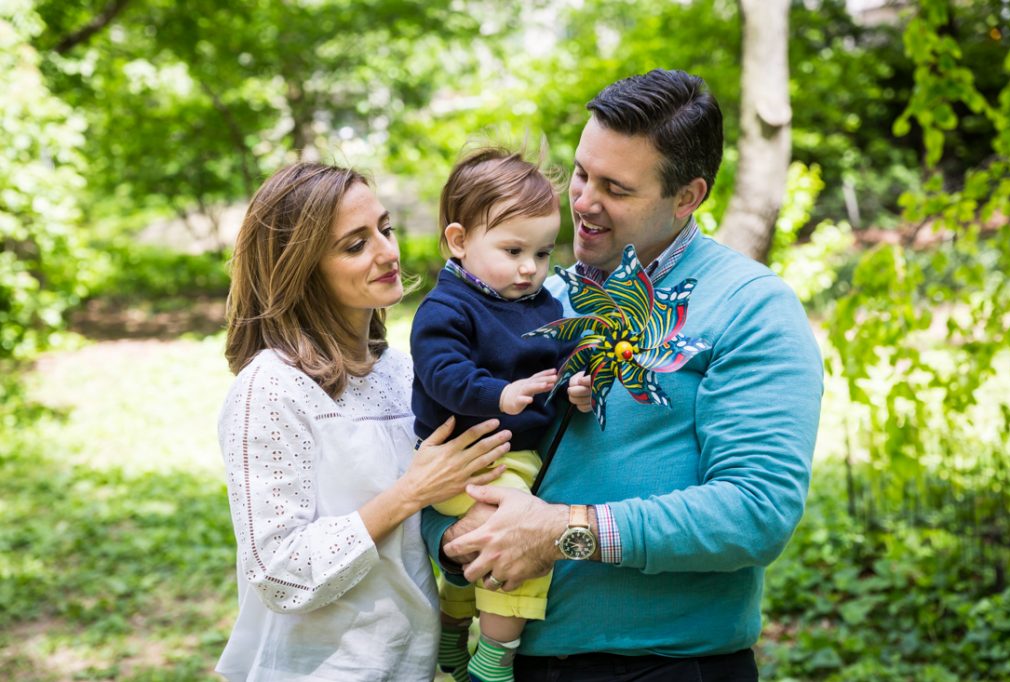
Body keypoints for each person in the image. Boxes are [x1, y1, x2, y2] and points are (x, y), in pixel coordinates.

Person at [422, 68, 824, 681]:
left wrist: (565, 532)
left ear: (686, 197)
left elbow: (755, 512)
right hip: (518, 667)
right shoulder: (530, 295)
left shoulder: (750, 307)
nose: (583, 201)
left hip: (664, 669)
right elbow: (438, 454)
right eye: (582, 173)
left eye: (615, 188)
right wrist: (456, 537)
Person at [216, 162, 513, 682]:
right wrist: (411, 492)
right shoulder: (271, 387)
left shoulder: (403, 373)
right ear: (301, 269)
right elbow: (279, 573)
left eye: (385, 228)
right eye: (355, 245)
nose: (387, 252)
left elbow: (418, 529)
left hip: (408, 665)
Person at [410, 147, 578, 682]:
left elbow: (562, 353)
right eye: (513, 250)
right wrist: (498, 393)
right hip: (468, 456)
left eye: (543, 252)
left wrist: (575, 379)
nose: (530, 267)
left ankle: (453, 628)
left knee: (475, 555)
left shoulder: (540, 304)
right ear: (459, 241)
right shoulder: (446, 308)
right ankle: (495, 659)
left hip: (511, 453)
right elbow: (441, 372)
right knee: (518, 540)